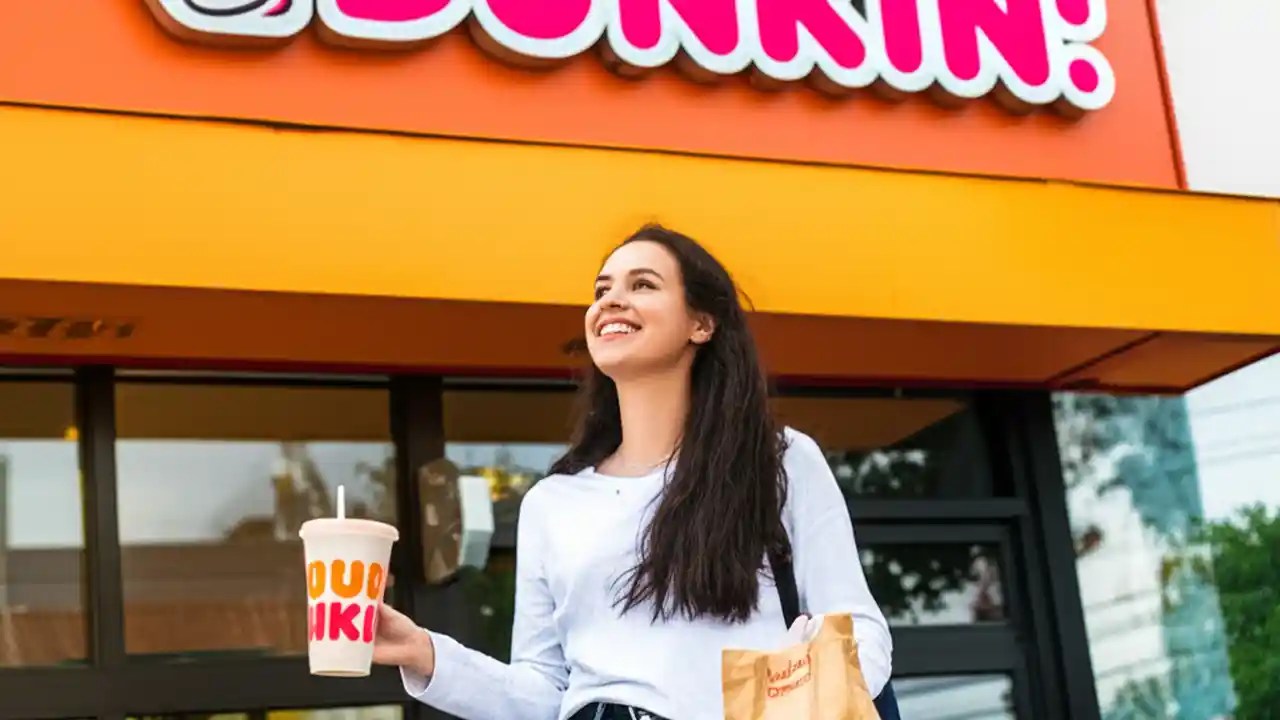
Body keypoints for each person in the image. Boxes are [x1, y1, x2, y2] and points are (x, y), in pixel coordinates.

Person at [372, 224, 894, 720]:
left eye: (642, 284)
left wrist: (808, 697)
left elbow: (861, 631)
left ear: (702, 323)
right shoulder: (552, 502)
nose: (610, 302)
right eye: (602, 290)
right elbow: (545, 695)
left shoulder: (777, 460)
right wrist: (423, 653)